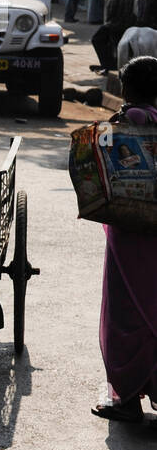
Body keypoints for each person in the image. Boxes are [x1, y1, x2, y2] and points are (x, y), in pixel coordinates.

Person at [90, 56, 157, 422]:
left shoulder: (128, 120)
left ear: (126, 88)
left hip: (130, 231)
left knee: (125, 310)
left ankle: (127, 398)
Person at [92, 0, 140, 71]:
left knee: (97, 39)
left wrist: (107, 23)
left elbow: (110, 9)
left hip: (116, 25)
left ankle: (108, 64)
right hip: (132, 26)